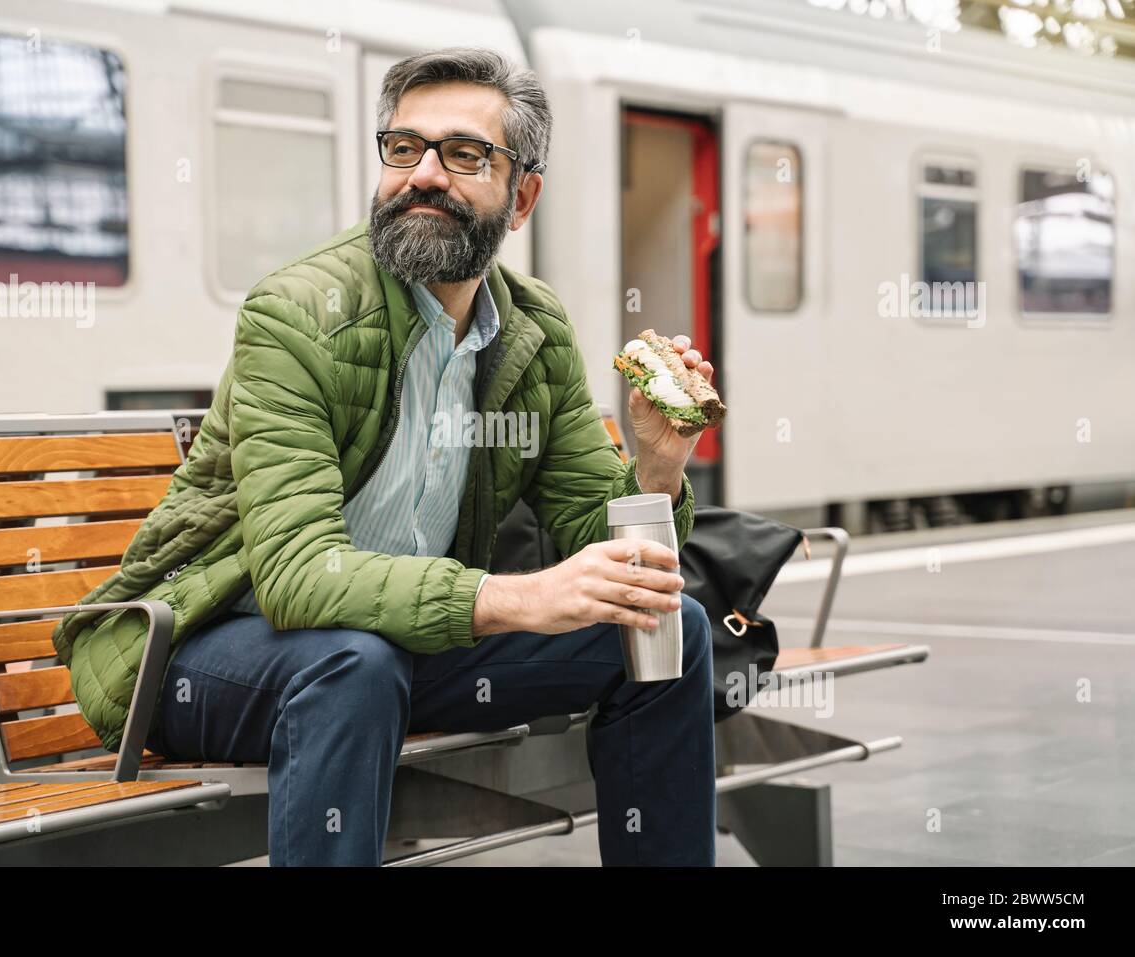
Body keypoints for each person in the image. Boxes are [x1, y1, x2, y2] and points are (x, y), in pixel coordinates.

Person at [55, 47, 717, 867]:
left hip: (403, 644)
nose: (424, 175)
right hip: (205, 650)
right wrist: (513, 597)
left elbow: (596, 535)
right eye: (405, 149)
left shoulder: (533, 332)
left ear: (523, 198)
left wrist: (656, 465)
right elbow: (298, 576)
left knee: (664, 626)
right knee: (351, 662)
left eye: (465, 154)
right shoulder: (296, 315)